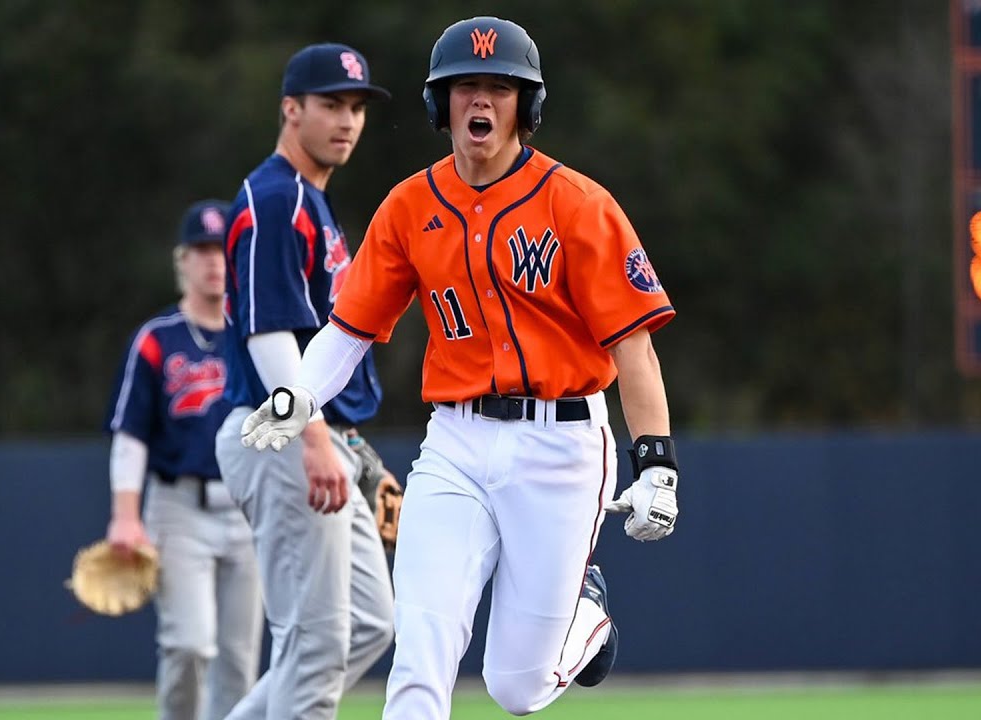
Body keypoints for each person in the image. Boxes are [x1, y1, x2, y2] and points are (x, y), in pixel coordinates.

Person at [239, 16, 683, 719]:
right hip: (457, 442)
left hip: (561, 444)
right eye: (464, 86)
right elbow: (350, 329)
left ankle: (586, 615)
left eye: (500, 87)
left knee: (516, 687)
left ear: (526, 105)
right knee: (421, 645)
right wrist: (299, 395)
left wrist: (656, 462)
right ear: (438, 103)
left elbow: (634, 344)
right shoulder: (410, 205)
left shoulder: (577, 203)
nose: (481, 100)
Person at [213, 42, 395, 720]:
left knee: (370, 624)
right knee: (315, 644)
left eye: (357, 107)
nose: (347, 120)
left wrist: (346, 446)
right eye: (331, 104)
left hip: (318, 433)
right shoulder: (275, 199)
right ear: (291, 109)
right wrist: (314, 439)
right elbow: (268, 334)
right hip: (281, 431)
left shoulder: (310, 201)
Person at [103, 200, 265, 720]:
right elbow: (130, 434)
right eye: (202, 250)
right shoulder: (157, 339)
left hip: (247, 509)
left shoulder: (257, 335)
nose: (214, 261)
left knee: (238, 663)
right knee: (190, 645)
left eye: (222, 249)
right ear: (183, 261)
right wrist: (125, 517)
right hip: (179, 508)